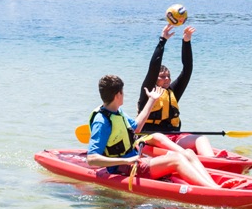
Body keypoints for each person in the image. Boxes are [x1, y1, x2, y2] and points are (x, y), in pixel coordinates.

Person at [88, 74, 226, 189]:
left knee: (188, 153)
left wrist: (152, 100)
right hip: (124, 168)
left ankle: (213, 186)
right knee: (176, 159)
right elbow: (92, 159)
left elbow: (136, 127)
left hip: (136, 160)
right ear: (118, 94)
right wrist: (127, 160)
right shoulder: (102, 121)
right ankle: (214, 191)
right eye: (123, 92)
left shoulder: (117, 112)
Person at [138, 20, 214, 157]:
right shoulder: (147, 92)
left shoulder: (172, 93)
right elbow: (153, 67)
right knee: (159, 137)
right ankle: (188, 157)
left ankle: (212, 162)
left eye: (168, 76)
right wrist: (162, 41)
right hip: (149, 139)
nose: (167, 79)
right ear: (155, 79)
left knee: (201, 138)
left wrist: (186, 42)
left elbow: (187, 69)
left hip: (172, 139)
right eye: (162, 76)